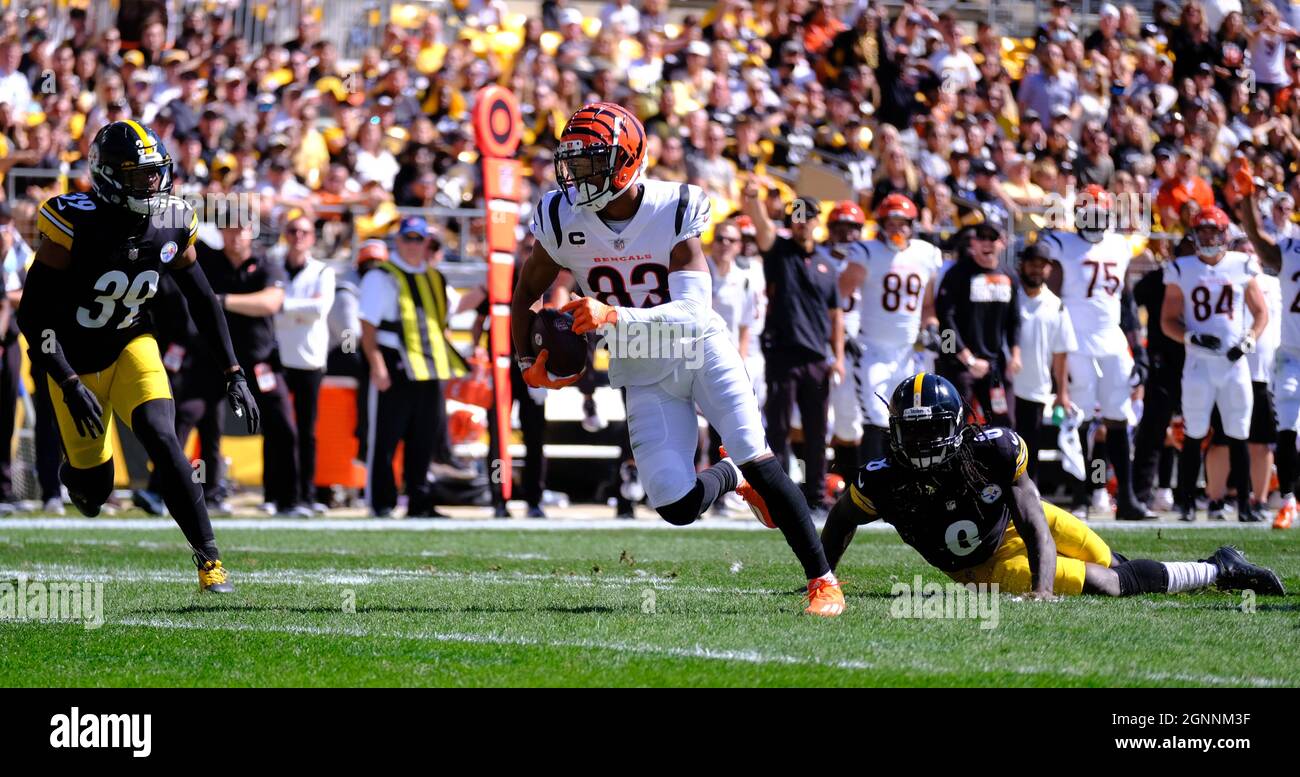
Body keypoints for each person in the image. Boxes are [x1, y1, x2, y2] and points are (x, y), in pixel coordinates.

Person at [512, 102, 845, 616]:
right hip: (642, 370)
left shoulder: (673, 207)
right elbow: (525, 292)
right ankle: (730, 477)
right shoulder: (560, 218)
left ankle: (823, 582)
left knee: (757, 451)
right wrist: (526, 357)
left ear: (626, 161)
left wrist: (614, 317)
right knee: (674, 504)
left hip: (700, 352)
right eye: (571, 162)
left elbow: (693, 311)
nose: (575, 175)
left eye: (589, 162)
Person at [20, 120, 260, 592]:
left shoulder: (172, 219)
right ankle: (75, 470)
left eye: (155, 173)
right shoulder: (73, 222)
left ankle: (209, 562)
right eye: (138, 175)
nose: (152, 184)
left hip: (132, 343)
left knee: (162, 438)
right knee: (93, 494)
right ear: (107, 177)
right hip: (75, 359)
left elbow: (203, 299)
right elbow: (32, 317)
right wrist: (68, 381)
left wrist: (234, 371)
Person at [820, 373, 1284, 597]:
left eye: (931, 429)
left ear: (958, 425)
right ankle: (1219, 569)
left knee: (1105, 556)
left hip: (1013, 525)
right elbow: (840, 521)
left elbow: (1032, 518)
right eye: (913, 430)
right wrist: (821, 578)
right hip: (979, 567)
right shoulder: (883, 479)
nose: (921, 442)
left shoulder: (993, 449)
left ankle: (1191, 572)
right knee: (1107, 584)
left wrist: (1042, 592)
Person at [1036, 185, 1155, 520]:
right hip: (1076, 340)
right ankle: (1081, 498)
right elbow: (1051, 293)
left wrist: (1137, 347)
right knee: (1078, 420)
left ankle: (1127, 498)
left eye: (1099, 215)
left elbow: (1127, 301)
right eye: (1087, 214)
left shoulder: (1118, 245)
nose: (1093, 221)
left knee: (1118, 419)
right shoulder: (1062, 245)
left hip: (1113, 340)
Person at [1163, 206, 1269, 522]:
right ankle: (1185, 503)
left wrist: (1249, 340)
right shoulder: (1182, 268)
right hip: (1198, 364)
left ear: (1225, 234)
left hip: (1234, 363)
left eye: (1214, 231)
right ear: (1194, 235)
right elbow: (1168, 320)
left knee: (1239, 433)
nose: (1209, 237)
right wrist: (1191, 338)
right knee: (1194, 433)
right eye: (1203, 231)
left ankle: (1246, 506)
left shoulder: (1241, 264)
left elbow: (1261, 312)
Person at [745, 186, 846, 513]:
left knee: (818, 433)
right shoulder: (779, 252)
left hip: (817, 358)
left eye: (808, 215)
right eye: (797, 216)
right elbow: (762, 229)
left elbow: (835, 316)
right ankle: (778, 497)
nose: (802, 221)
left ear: (817, 221)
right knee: (778, 429)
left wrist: (839, 357)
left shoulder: (828, 264)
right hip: (783, 355)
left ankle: (816, 496)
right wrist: (753, 200)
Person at [359, 216, 466, 518]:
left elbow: (455, 308)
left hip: (428, 366)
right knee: (386, 437)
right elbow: (367, 325)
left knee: (424, 436)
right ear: (398, 240)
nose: (414, 245)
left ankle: (419, 501)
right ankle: (381, 502)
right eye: (408, 238)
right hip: (394, 363)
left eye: (420, 239)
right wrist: (377, 365)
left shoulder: (434, 277)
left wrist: (489, 290)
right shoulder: (382, 276)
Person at [199, 221, 303, 516]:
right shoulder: (210, 261)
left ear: (251, 232)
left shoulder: (265, 262)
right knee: (203, 421)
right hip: (217, 360)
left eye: (242, 228)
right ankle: (205, 494)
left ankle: (284, 498)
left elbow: (271, 302)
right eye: (230, 228)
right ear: (221, 232)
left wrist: (222, 300)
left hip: (259, 360)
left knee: (282, 425)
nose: (236, 235)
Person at [839, 194, 941, 464]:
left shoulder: (925, 254)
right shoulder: (867, 252)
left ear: (912, 224)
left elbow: (928, 305)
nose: (897, 229)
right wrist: (844, 334)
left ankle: (901, 482)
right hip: (871, 349)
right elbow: (839, 297)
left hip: (908, 352)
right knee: (875, 415)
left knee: (908, 416)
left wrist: (931, 328)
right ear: (881, 224)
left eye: (902, 223)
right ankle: (871, 485)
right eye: (891, 223)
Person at [274, 214, 336, 513]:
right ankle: (274, 495)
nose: (298, 236)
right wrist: (298, 309)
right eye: (293, 230)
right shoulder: (274, 266)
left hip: (309, 358)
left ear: (312, 237)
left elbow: (320, 308)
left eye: (304, 231)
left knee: (306, 430)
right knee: (277, 427)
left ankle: (306, 496)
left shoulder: (323, 271)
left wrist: (282, 305)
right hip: (277, 357)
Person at [934, 221, 1019, 430]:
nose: (987, 243)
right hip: (959, 366)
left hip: (994, 363)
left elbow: (1014, 320)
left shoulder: (1009, 276)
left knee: (1004, 425)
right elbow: (945, 322)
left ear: (1003, 243)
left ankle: (1001, 463)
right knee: (955, 427)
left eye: (993, 238)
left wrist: (1016, 355)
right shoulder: (956, 274)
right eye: (982, 238)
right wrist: (968, 360)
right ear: (973, 242)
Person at [1012, 242, 1076, 485]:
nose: (1036, 270)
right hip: (1007, 386)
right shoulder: (1010, 297)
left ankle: (1030, 502)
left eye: (1042, 265)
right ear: (1022, 265)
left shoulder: (1056, 305)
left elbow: (1061, 354)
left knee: (1030, 452)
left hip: (1036, 388)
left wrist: (1062, 393)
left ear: (1049, 269)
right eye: (1032, 264)